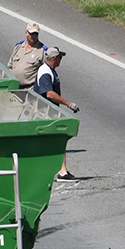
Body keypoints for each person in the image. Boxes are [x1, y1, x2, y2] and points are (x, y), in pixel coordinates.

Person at [35, 47, 81, 182]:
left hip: (48, 113)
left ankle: (55, 170)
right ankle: (62, 172)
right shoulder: (45, 73)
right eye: (60, 57)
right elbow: (49, 93)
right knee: (59, 139)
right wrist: (69, 104)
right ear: (55, 58)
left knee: (53, 141)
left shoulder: (49, 71)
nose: (61, 59)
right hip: (45, 113)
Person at [7, 22, 47, 88]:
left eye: (36, 34)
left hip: (29, 89)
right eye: (31, 34)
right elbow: (10, 67)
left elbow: (45, 73)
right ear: (26, 33)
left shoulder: (42, 51)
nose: (33, 36)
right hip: (14, 87)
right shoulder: (18, 47)